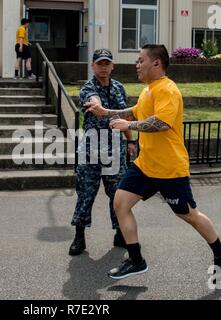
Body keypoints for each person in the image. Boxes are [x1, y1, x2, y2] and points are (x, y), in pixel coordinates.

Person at [85, 44, 221, 281]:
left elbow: (161, 122)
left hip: (169, 168)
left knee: (188, 215)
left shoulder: (168, 90)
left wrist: (129, 126)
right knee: (121, 203)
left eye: (140, 60)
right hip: (146, 165)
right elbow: (134, 111)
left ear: (156, 63)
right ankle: (136, 260)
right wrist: (105, 112)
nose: (137, 64)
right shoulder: (148, 90)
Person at [69, 48, 137, 256]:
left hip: (116, 150)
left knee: (117, 194)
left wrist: (131, 141)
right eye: (100, 63)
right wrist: (97, 105)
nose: (104, 67)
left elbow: (124, 117)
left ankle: (119, 233)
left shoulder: (119, 88)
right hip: (91, 151)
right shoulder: (88, 87)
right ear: (93, 66)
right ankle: (79, 237)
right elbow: (93, 99)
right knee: (86, 193)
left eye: (107, 63)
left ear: (112, 66)